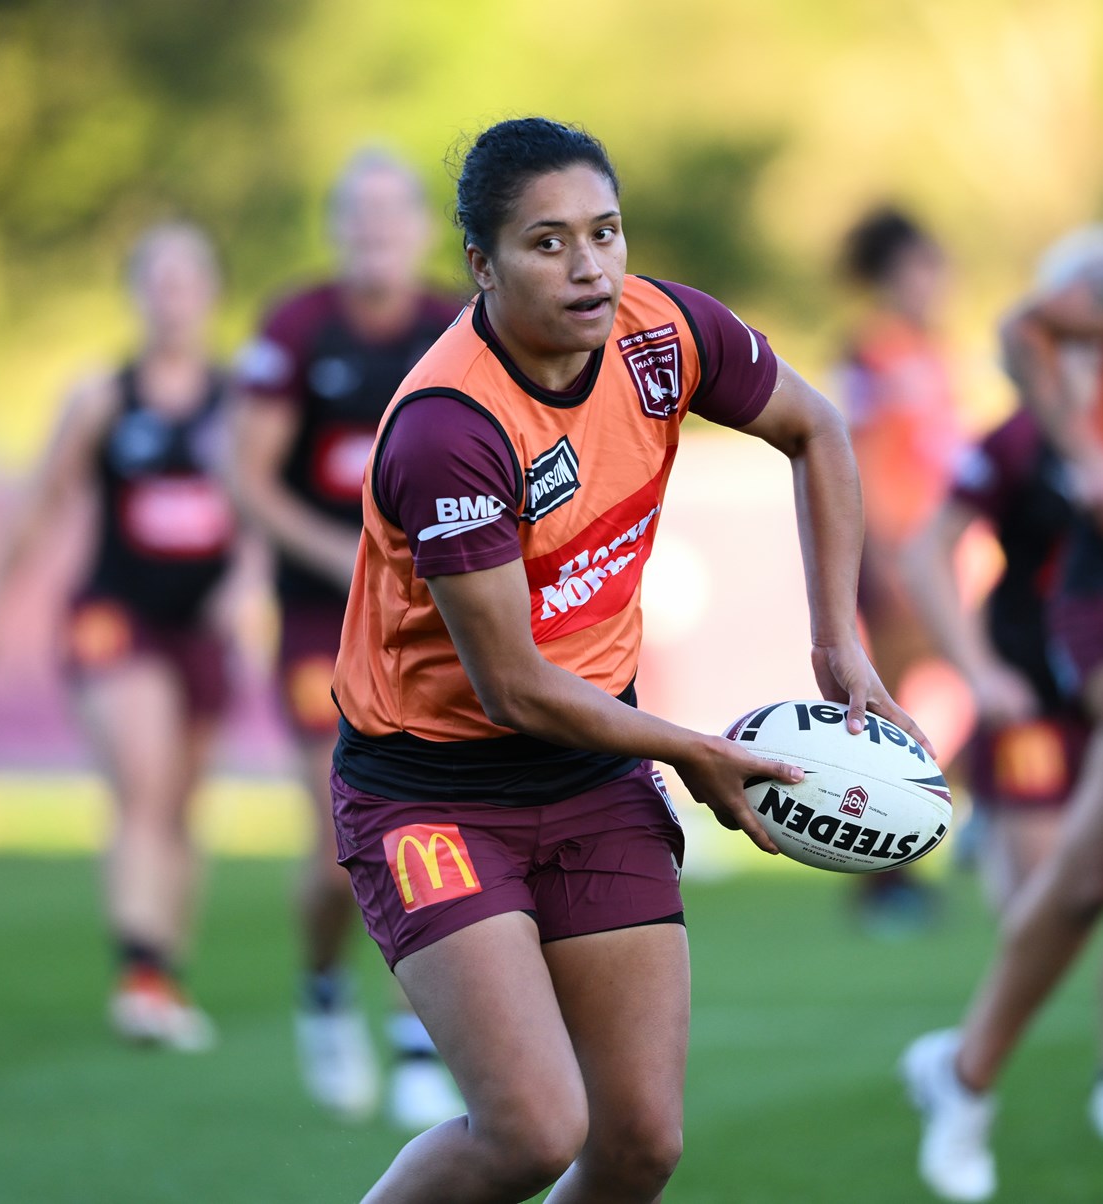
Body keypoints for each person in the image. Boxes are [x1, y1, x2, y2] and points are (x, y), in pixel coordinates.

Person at [329, 115, 931, 1204]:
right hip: (435, 797)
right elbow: (513, 686)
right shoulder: (449, 426)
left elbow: (819, 429)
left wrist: (838, 641)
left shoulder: (663, 333)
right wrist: (696, 751)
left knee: (640, 1143)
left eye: (604, 232)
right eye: (547, 242)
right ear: (482, 263)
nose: (590, 265)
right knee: (531, 1129)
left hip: (594, 774)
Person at [901, 229, 1103, 1199]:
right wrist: (1084, 448)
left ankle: (962, 1076)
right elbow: (1025, 325)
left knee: (1093, 877)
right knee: (1068, 867)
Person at [230, 148, 463, 1124]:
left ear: (419, 228)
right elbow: (248, 474)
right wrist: (337, 549)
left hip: (429, 611)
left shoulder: (454, 323)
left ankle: (420, 1035)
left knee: (435, 816)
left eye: (390, 214)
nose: (374, 232)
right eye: (355, 215)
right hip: (321, 616)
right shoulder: (297, 326)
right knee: (338, 839)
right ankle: (323, 987)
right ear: (334, 228)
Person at [901, 399, 1103, 1150]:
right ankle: (968, 1073)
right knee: (1048, 899)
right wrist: (979, 672)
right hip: (1034, 696)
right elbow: (926, 552)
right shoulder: (1020, 439)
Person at [0, 222, 236, 1050]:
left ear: (210, 293)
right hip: (114, 615)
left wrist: (249, 593)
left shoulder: (239, 402)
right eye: (157, 281)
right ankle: (141, 973)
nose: (172, 298)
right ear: (137, 293)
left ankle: (164, 968)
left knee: (182, 804)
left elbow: (258, 514)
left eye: (187, 281)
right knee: (144, 781)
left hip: (199, 627)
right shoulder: (103, 398)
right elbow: (44, 501)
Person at [833, 206, 967, 930]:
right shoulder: (870, 354)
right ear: (891, 276)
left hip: (933, 558)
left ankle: (952, 832)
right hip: (890, 558)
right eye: (924, 268)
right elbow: (851, 454)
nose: (936, 283)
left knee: (987, 675)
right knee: (886, 715)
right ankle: (885, 872)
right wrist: (876, 553)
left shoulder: (935, 352)